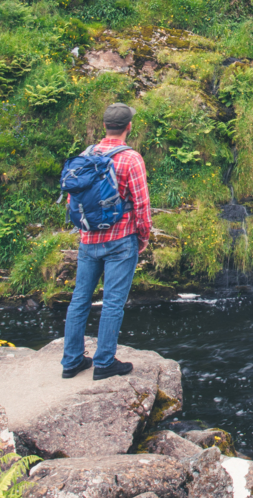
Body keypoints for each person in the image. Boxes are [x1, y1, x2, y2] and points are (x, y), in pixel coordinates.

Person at [62, 102, 151, 379]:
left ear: (104, 126)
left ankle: (72, 361)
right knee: (112, 302)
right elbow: (142, 204)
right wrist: (143, 236)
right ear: (129, 127)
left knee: (79, 300)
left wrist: (84, 230)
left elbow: (72, 199)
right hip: (121, 240)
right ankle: (103, 363)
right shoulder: (131, 158)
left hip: (88, 239)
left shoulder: (85, 155)